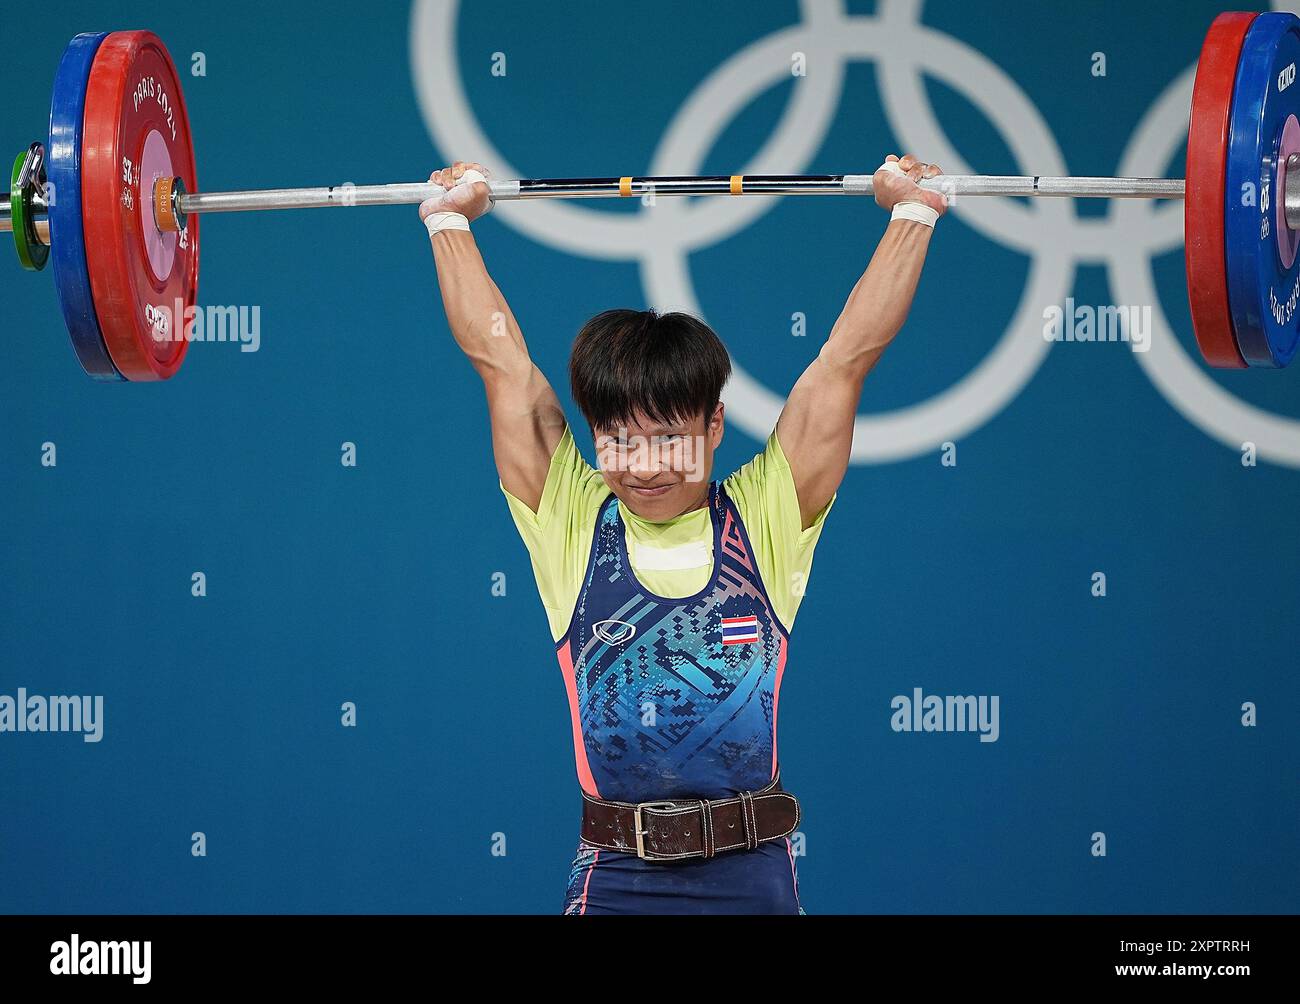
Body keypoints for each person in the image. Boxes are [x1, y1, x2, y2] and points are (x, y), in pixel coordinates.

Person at [420, 155, 946, 914]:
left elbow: (846, 361)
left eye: (669, 439)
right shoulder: (573, 515)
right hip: (617, 881)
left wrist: (914, 214)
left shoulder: (767, 516)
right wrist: (448, 223)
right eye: (618, 441)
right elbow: (500, 363)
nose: (642, 467)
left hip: (752, 881)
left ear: (715, 425)